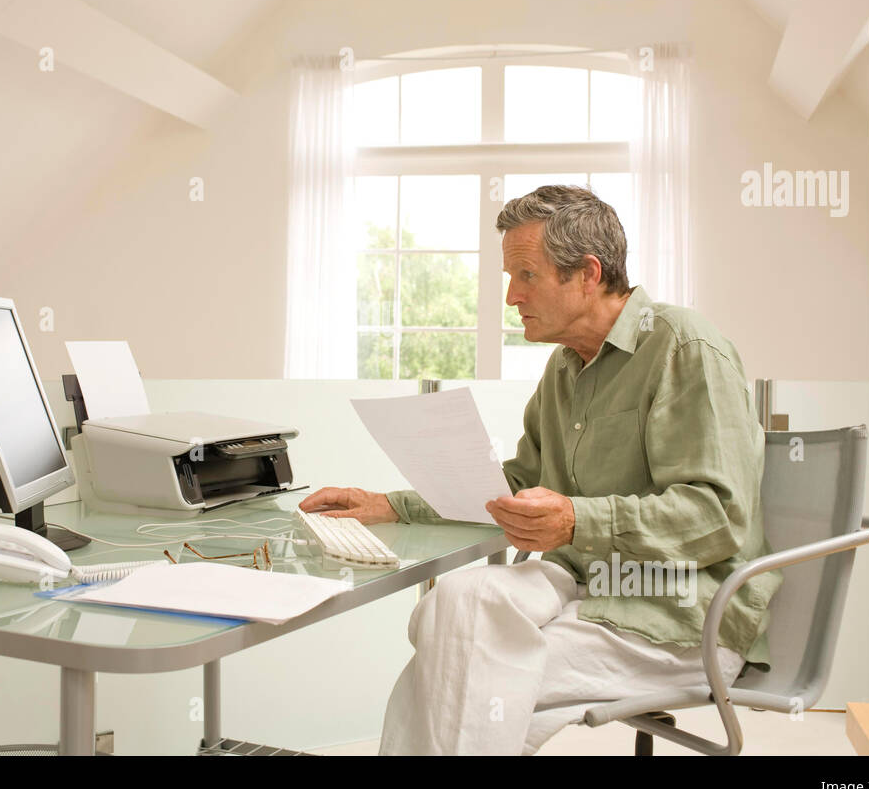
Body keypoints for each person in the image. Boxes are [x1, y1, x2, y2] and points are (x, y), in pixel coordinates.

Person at [299, 184, 780, 755]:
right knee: (455, 606)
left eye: (525, 275)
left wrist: (576, 521)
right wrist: (391, 504)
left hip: (676, 606)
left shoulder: (686, 348)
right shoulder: (565, 367)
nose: (510, 296)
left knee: (464, 671)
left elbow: (716, 516)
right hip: (581, 582)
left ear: (588, 274)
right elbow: (519, 485)